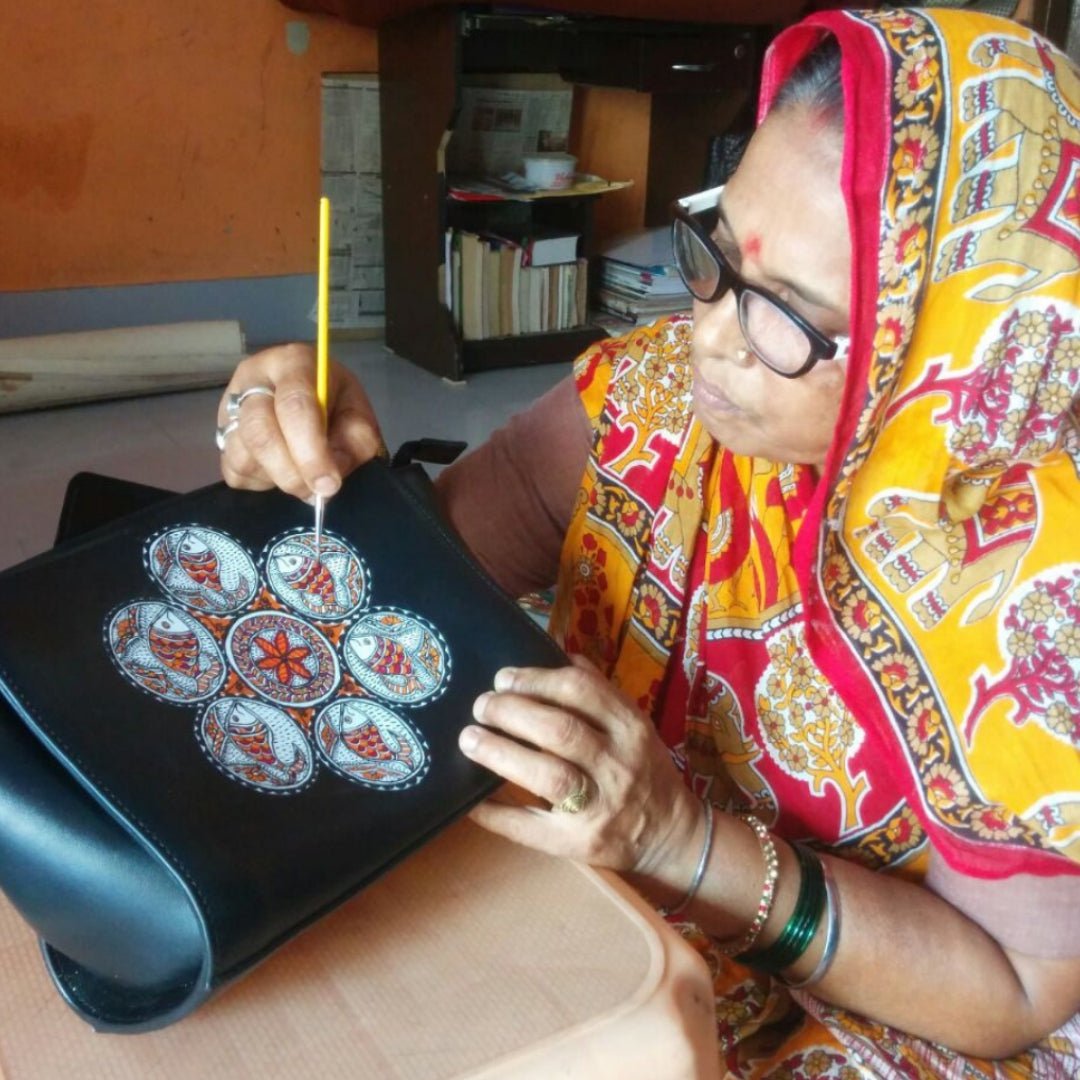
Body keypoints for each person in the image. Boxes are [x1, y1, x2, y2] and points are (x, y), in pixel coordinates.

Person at [217, 8, 1080, 1074]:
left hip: (868, 1003)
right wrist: (320, 477)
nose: (708, 334)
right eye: (716, 251)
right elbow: (418, 585)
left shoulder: (1041, 590)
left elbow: (1010, 990)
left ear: (946, 346)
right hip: (610, 896)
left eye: (791, 316)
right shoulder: (656, 397)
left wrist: (686, 846)